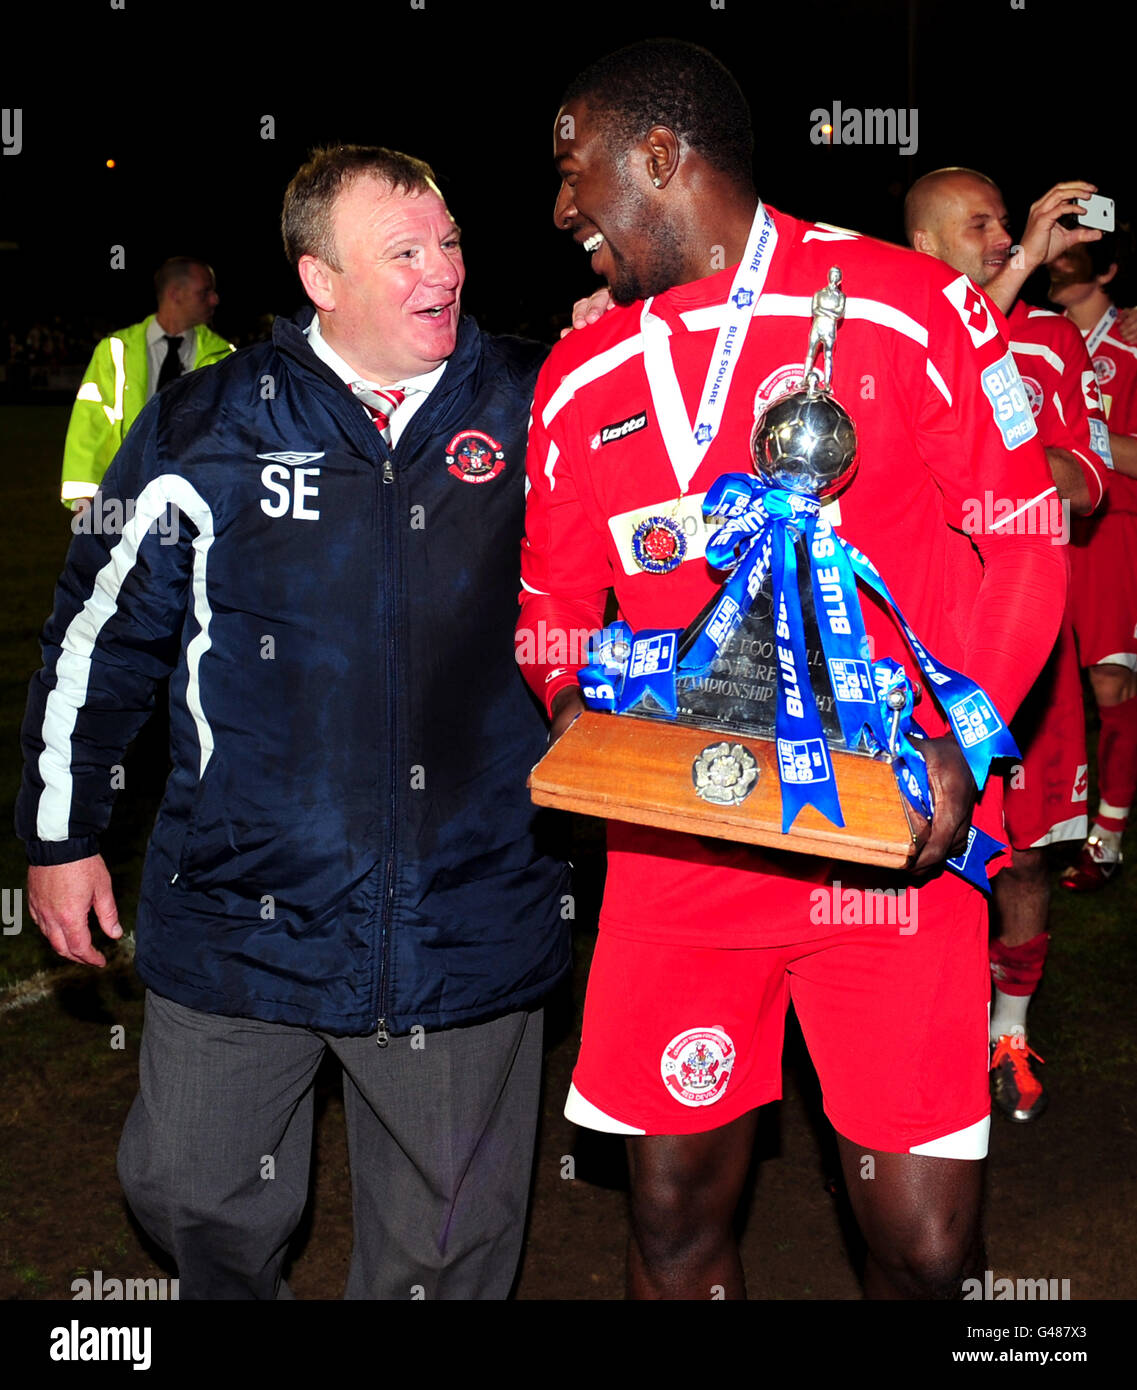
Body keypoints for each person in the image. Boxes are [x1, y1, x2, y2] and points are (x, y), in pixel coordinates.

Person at [518, 40, 1065, 1299]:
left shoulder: (908, 306)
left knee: (925, 1247)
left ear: (661, 159)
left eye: (574, 170)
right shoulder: (575, 372)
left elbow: (1027, 538)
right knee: (670, 1224)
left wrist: (958, 746)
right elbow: (550, 602)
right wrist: (577, 720)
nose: (560, 207)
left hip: (887, 838)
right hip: (680, 851)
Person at [18, 145, 570, 1300]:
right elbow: (98, 637)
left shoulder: (543, 399)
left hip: (467, 908)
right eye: (405, 252)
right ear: (320, 279)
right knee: (187, 1190)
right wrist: (64, 835)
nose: (444, 271)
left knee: (445, 1254)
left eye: (452, 242)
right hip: (240, 905)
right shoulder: (205, 426)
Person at [904, 167, 1112, 1122]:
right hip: (908, 650)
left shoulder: (1047, 336)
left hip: (1018, 641)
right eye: (982, 225)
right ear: (922, 243)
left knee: (1023, 857)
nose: (1003, 238)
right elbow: (933, 360)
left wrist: (1016, 474)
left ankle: (1009, 1034)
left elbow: (1081, 474)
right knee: (913, 845)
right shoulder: (887, 326)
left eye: (1006, 226)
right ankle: (916, 1033)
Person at [1045, 228, 1137, 891]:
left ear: (1105, 272)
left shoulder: (1129, 344)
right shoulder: (1039, 337)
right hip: (1043, 525)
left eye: (1068, 258)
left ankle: (1105, 836)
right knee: (1038, 680)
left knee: (1109, 684)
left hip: (1114, 526)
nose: (1052, 265)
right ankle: (1042, 817)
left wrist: (1079, 452)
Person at [60, 257, 232, 509]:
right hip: (124, 500)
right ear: (176, 294)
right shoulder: (116, 350)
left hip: (194, 504)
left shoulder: (225, 357)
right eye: (205, 292)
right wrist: (85, 502)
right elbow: (91, 424)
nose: (215, 299)